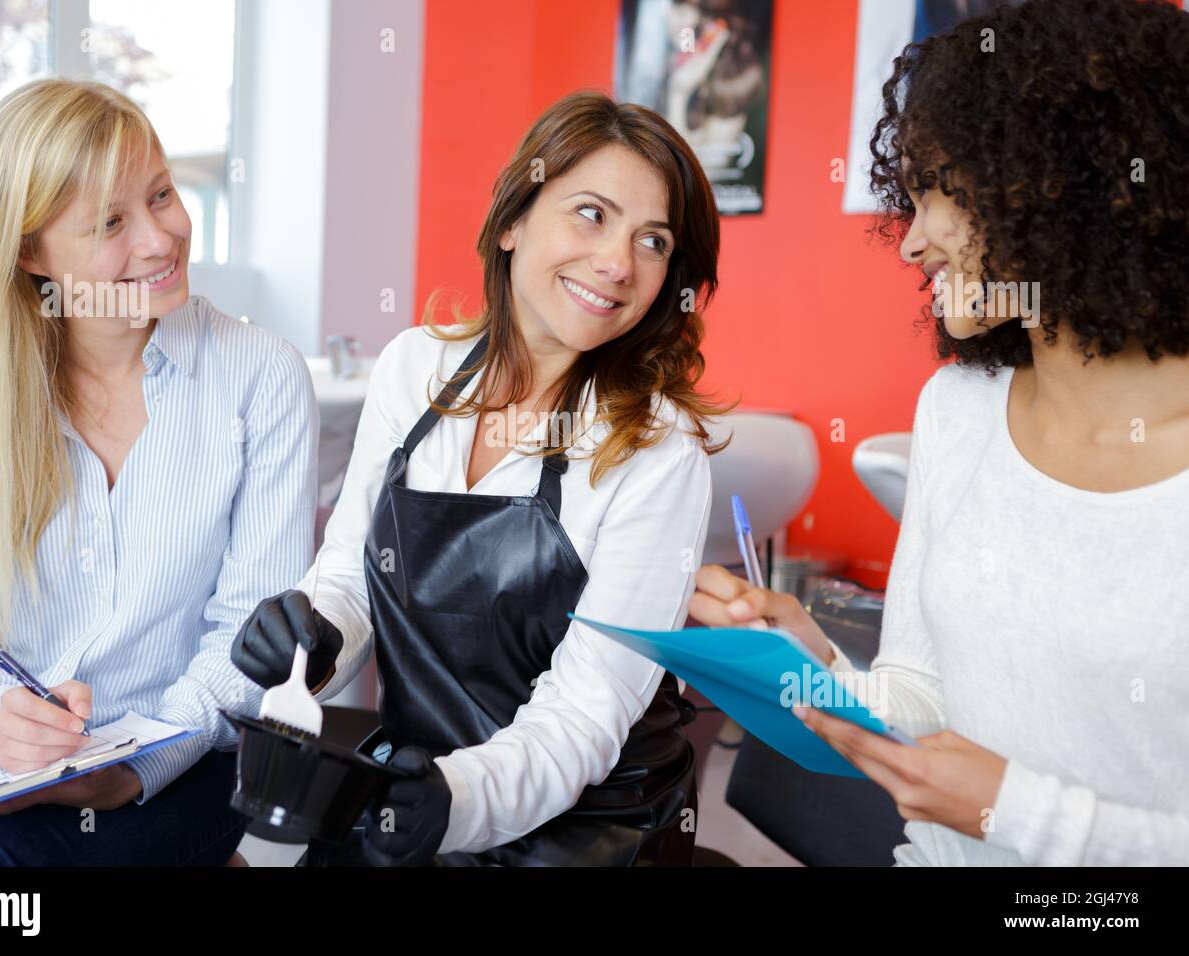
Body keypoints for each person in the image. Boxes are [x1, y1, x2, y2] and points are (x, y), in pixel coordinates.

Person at [690, 0, 1189, 865]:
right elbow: (921, 701)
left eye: (935, 194)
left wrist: (1016, 811)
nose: (910, 242)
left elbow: (1000, 801)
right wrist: (811, 670)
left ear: (1061, 181)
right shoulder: (957, 409)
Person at [231, 91, 728, 866]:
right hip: (419, 780)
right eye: (591, 214)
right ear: (512, 222)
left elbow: (589, 712)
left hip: (592, 821)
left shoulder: (660, 451)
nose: (618, 263)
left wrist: (459, 800)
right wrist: (316, 639)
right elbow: (356, 575)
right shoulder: (413, 368)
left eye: (654, 241)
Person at [0, 79, 318, 866]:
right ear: (29, 253)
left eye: (161, 196)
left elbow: (249, 641)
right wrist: (0, 721)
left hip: (175, 775)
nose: (160, 239)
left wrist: (134, 768)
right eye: (110, 222)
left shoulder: (262, 378)